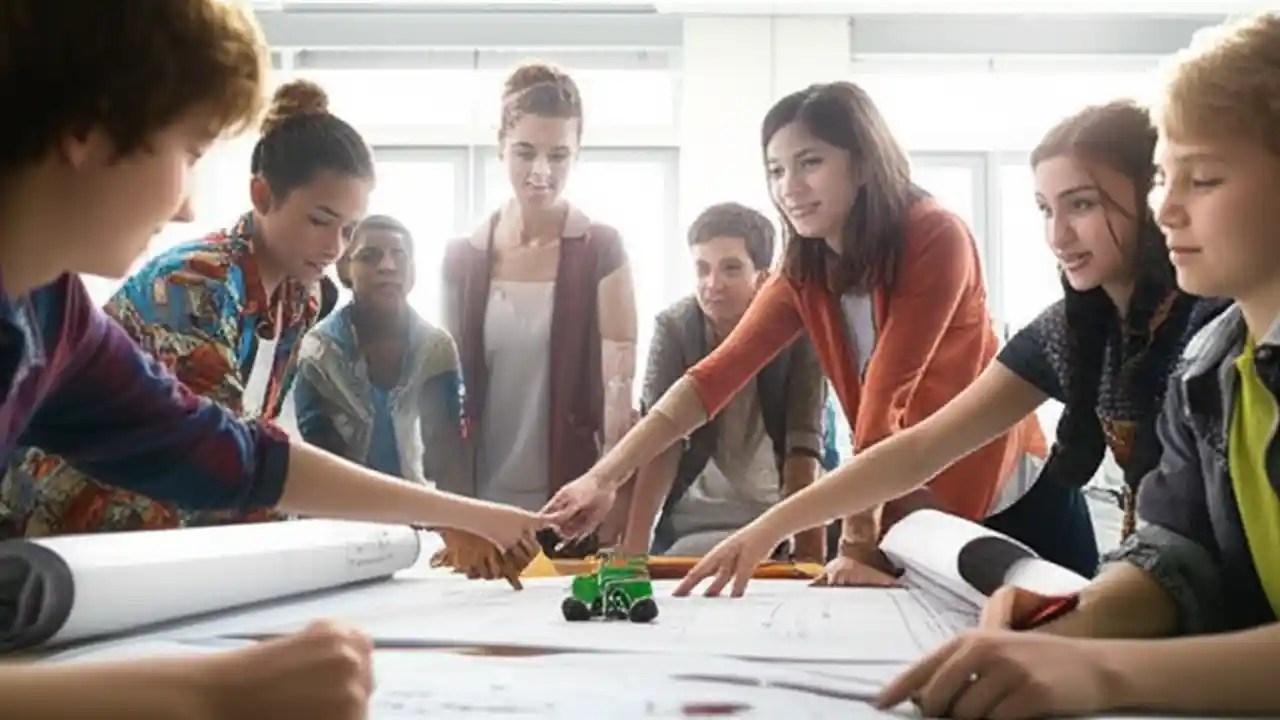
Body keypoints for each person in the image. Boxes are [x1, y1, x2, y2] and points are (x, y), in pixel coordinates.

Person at [0, 3, 541, 717]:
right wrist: (211, 693)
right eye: (191, 151)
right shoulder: (186, 282)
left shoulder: (56, 314)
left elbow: (234, 453)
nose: (187, 206)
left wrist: (457, 512)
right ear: (85, 128)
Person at [874, 11, 1280, 719]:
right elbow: (1173, 554)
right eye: (1163, 177)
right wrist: (1068, 623)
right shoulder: (1210, 367)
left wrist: (1102, 669)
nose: (1165, 210)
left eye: (1205, 179)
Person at [669, 100, 1233, 596]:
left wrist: (845, 538)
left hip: (1215, 603)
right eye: (1044, 209)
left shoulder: (1216, 327)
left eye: (1082, 205)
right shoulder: (1070, 329)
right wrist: (768, 529)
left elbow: (886, 411)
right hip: (1155, 588)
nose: (1057, 235)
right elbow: (919, 449)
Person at [543, 81, 1047, 581]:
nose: (789, 187)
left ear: (863, 163)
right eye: (776, 170)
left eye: (810, 163)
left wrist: (854, 546)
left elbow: (882, 403)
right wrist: (602, 478)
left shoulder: (935, 236)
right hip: (905, 499)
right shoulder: (805, 269)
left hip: (1003, 492)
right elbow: (711, 379)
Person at [0, 78, 376, 537]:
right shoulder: (195, 281)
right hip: (74, 508)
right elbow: (219, 459)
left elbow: (249, 451)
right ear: (262, 196)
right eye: (320, 221)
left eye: (349, 231)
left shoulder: (304, 297)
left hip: (182, 494)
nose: (336, 247)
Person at [442, 61, 638, 557]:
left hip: (571, 501)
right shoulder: (463, 258)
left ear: (578, 152)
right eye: (525, 152)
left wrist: (612, 491)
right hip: (482, 504)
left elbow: (619, 386)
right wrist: (449, 513)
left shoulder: (602, 249)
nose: (541, 172)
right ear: (500, 146)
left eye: (559, 155)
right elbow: (445, 397)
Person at [616, 202, 825, 560]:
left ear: (763, 277)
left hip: (773, 515)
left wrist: (809, 560)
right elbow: (659, 441)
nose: (712, 284)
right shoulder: (675, 328)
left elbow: (804, 444)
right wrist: (634, 554)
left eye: (731, 269)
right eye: (702, 269)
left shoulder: (800, 330)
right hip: (691, 517)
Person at [293, 214, 465, 489]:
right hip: (342, 507)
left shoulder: (436, 349)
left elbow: (448, 458)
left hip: (421, 507)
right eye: (369, 256)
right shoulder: (319, 352)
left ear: (412, 271)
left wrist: (453, 514)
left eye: (399, 256)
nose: (387, 266)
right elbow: (321, 458)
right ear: (345, 268)